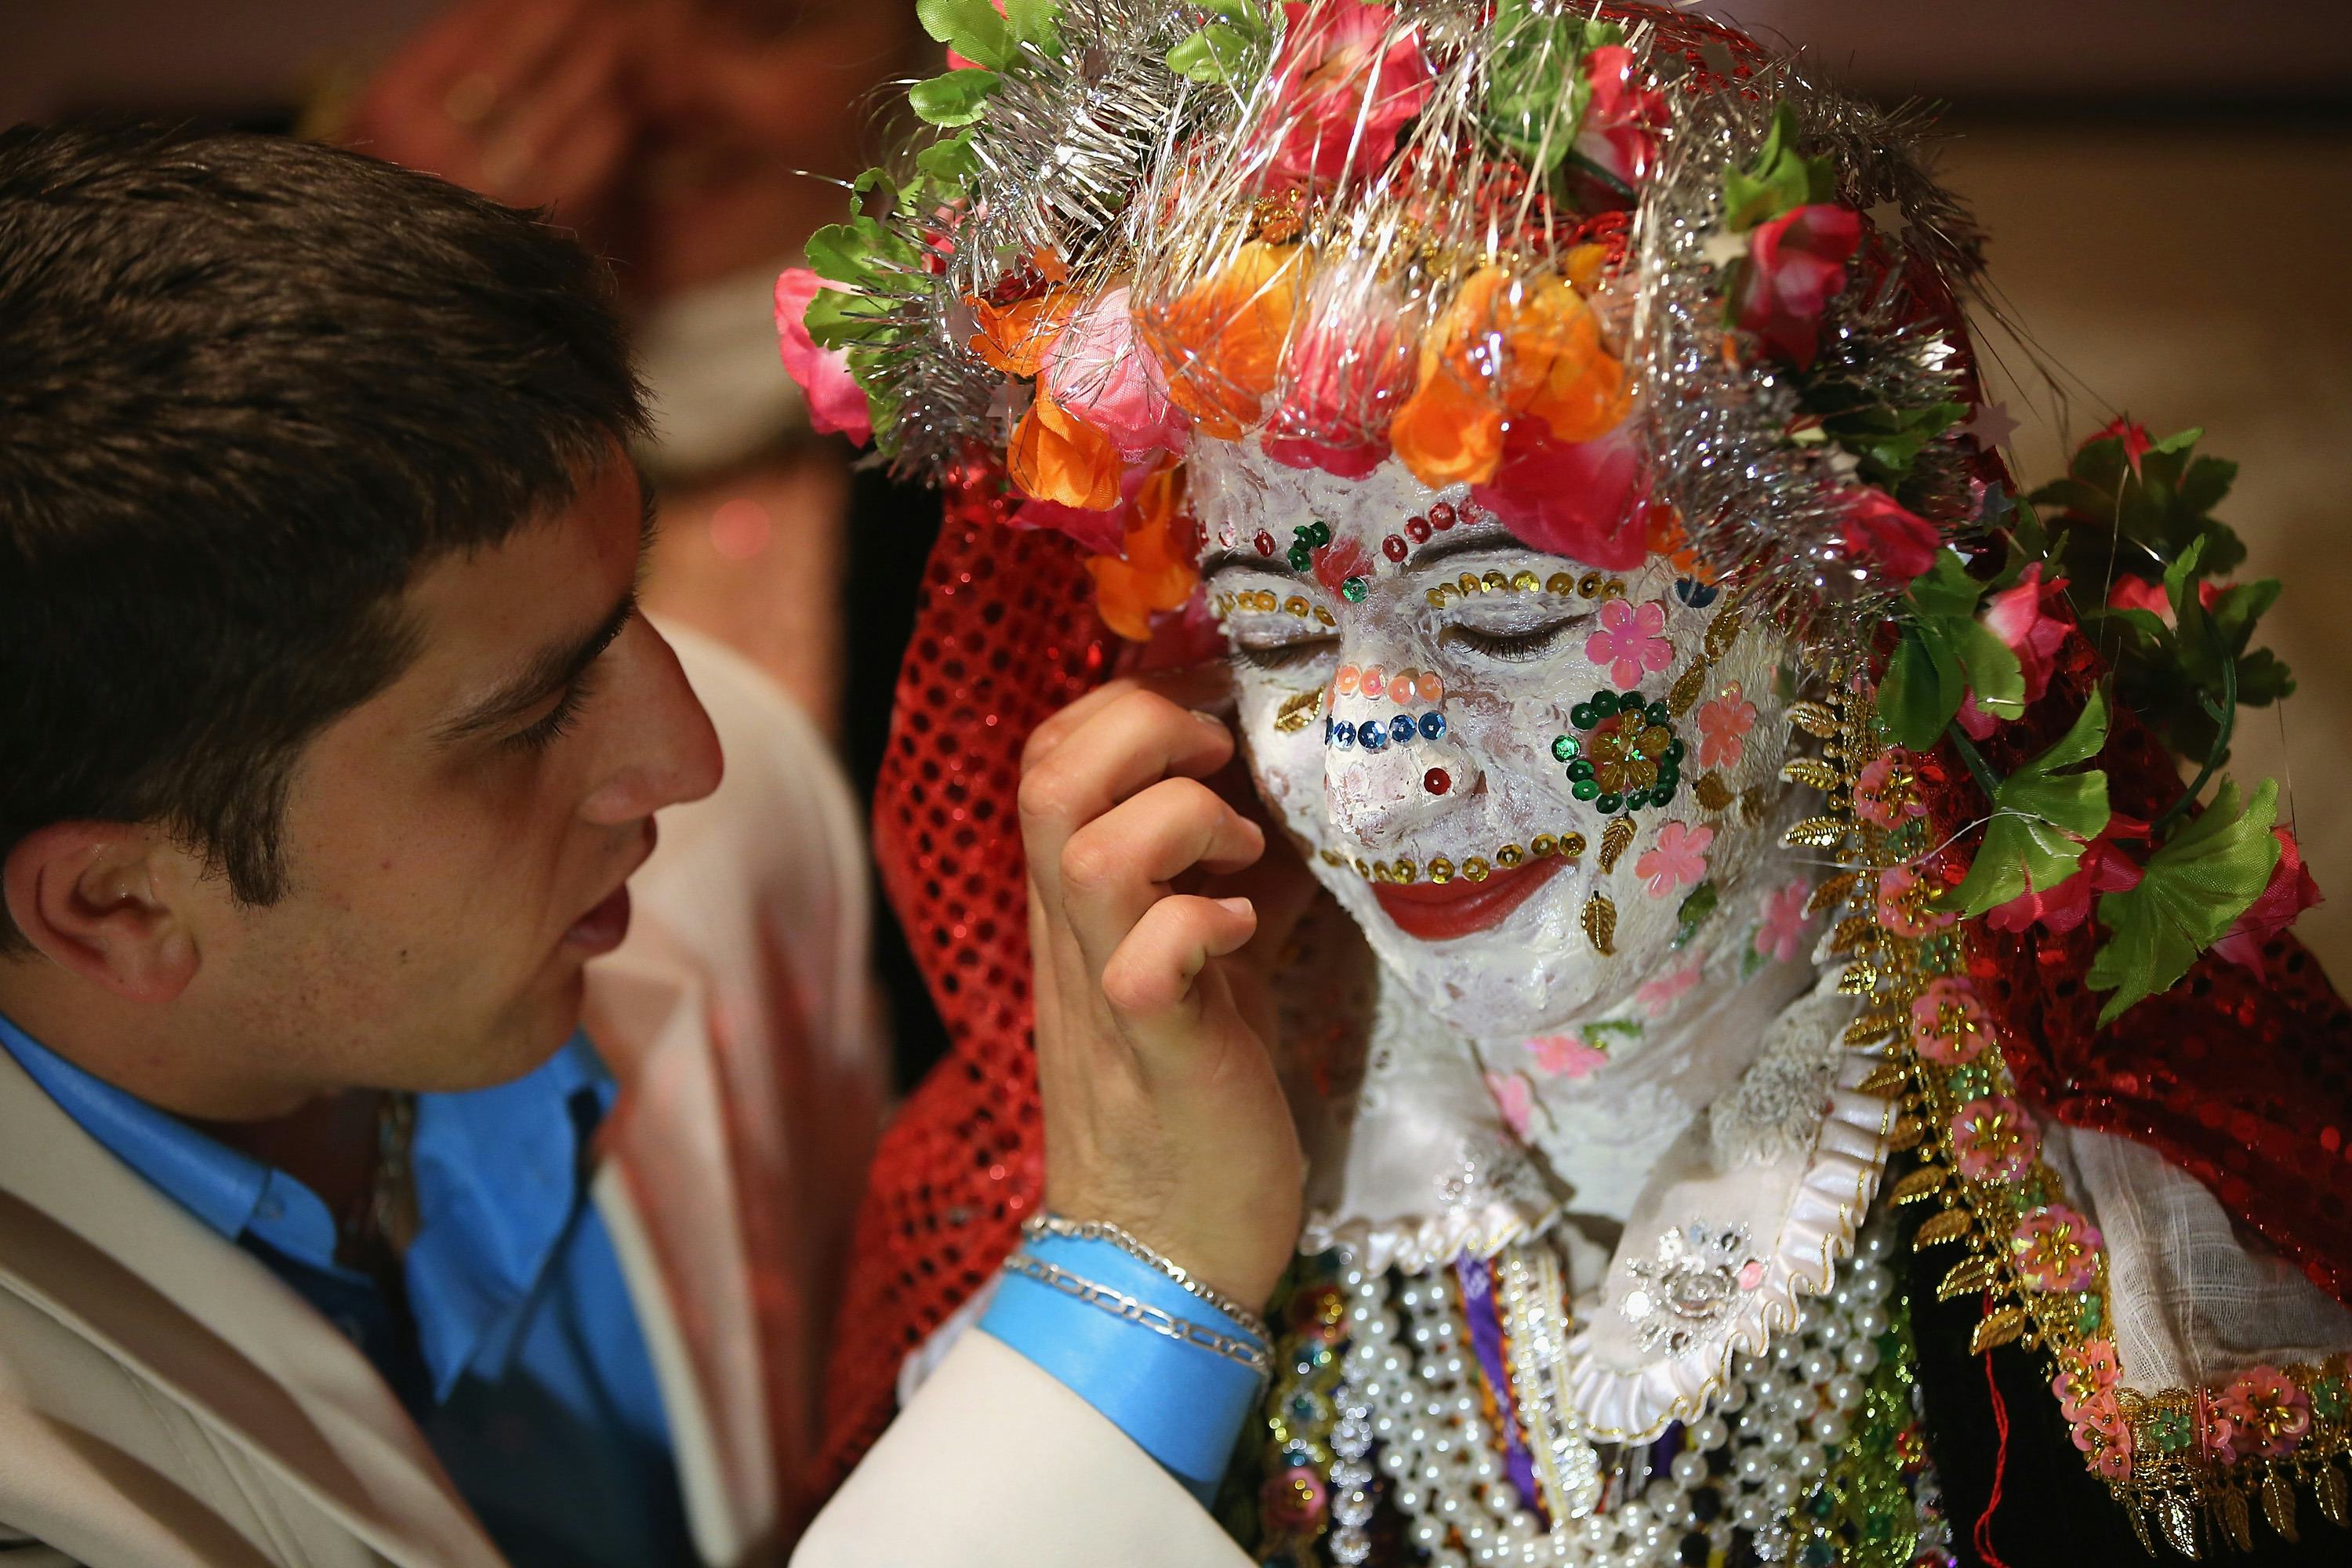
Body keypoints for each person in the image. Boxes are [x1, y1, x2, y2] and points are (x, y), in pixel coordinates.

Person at [779, 3, 2352, 1564]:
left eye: (1503, 613)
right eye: (1276, 626)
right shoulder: (1210, 1154)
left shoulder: (2139, 1276)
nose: (1374, 787)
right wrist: (1154, 1263)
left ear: (1808, 592)